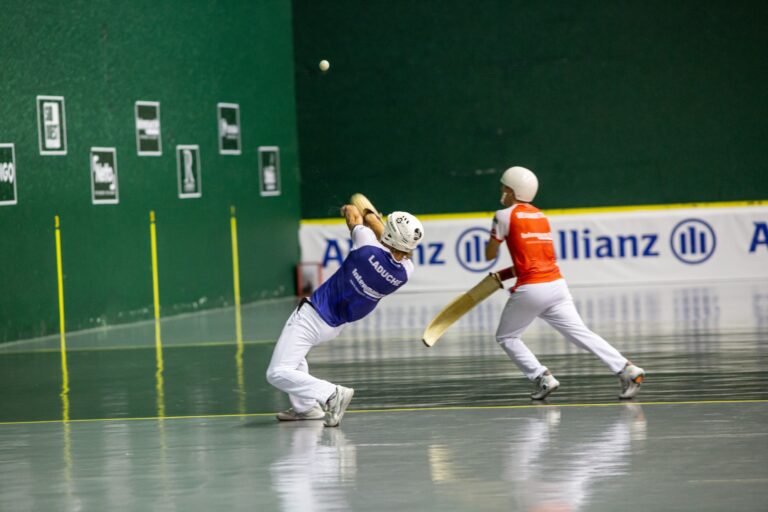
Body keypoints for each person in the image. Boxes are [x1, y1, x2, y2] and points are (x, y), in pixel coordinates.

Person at [485, 166, 645, 400]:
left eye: (504, 186)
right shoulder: (541, 216)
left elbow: (490, 254)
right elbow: (533, 260)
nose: (501, 190)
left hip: (532, 288)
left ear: (512, 190)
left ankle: (542, 377)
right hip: (557, 286)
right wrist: (505, 275)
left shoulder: (503, 216)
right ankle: (627, 369)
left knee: (506, 337)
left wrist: (493, 235)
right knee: (580, 333)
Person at [267, 204, 424, 426]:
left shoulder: (366, 244)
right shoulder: (406, 272)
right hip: (334, 326)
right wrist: (374, 220)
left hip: (312, 315)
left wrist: (362, 211)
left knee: (277, 372)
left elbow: (353, 216)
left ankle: (332, 393)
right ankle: (307, 408)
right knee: (294, 356)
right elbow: (392, 246)